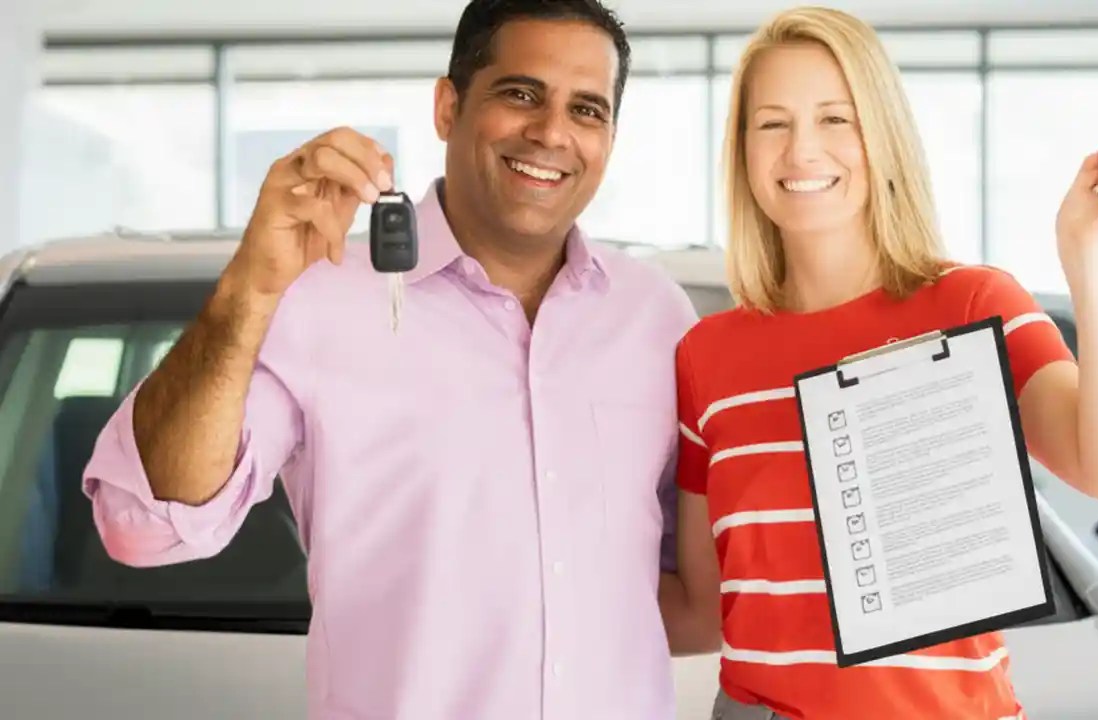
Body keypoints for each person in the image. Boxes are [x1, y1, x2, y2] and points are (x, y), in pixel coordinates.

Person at [81, 1, 701, 718]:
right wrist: (248, 285)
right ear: (447, 106)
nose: (553, 132)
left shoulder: (657, 317)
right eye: (521, 93)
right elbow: (142, 525)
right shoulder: (320, 297)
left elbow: (695, 581)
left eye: (587, 109)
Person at [660, 7, 1098, 719]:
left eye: (837, 119)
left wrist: (1088, 258)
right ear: (741, 148)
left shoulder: (970, 305)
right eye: (772, 122)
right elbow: (707, 609)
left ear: (883, 134)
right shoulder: (705, 354)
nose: (802, 150)